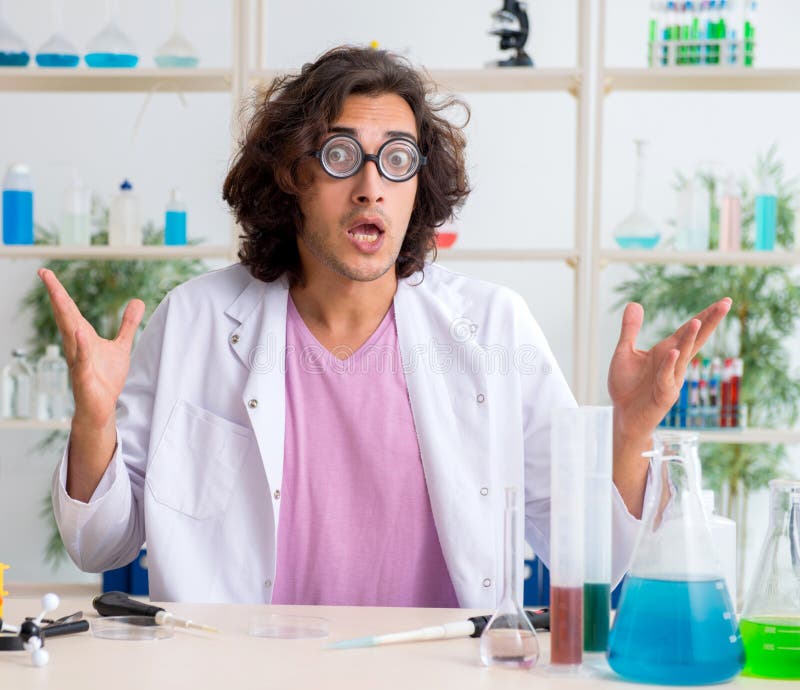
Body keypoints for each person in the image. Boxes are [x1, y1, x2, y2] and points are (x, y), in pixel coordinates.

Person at [40, 46, 730, 606]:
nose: (371, 185)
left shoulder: (492, 328)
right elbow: (100, 545)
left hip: (437, 676)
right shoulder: (192, 320)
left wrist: (632, 434)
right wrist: (95, 421)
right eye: (341, 156)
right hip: (240, 673)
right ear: (291, 175)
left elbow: (597, 558)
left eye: (397, 159)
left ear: (417, 187)